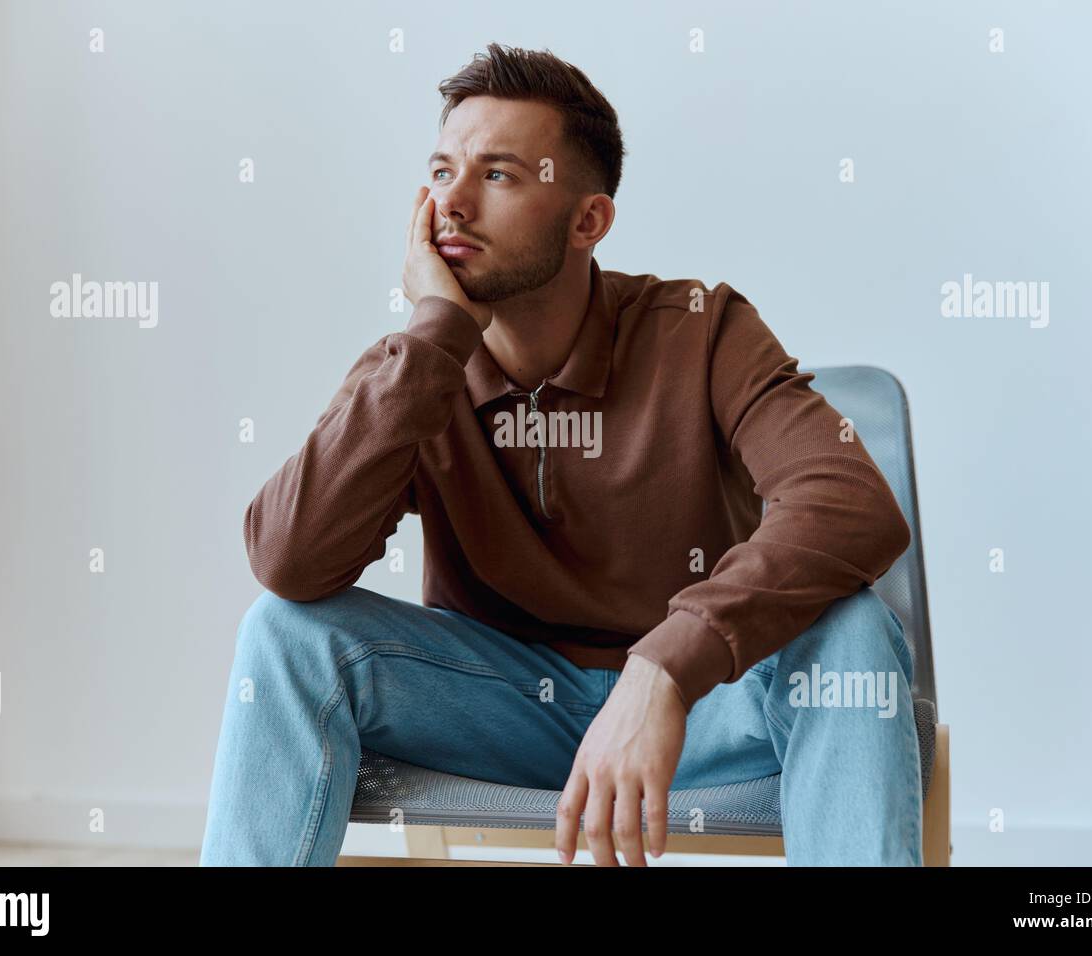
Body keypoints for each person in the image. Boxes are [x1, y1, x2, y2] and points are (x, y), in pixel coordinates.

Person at [200, 42, 919, 867]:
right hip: (495, 710)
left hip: (703, 709)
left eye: (498, 175)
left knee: (856, 633)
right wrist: (435, 340)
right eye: (441, 172)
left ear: (589, 220)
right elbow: (288, 564)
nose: (453, 204)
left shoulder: (702, 328)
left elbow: (852, 505)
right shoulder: (417, 371)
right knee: (285, 634)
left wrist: (665, 668)